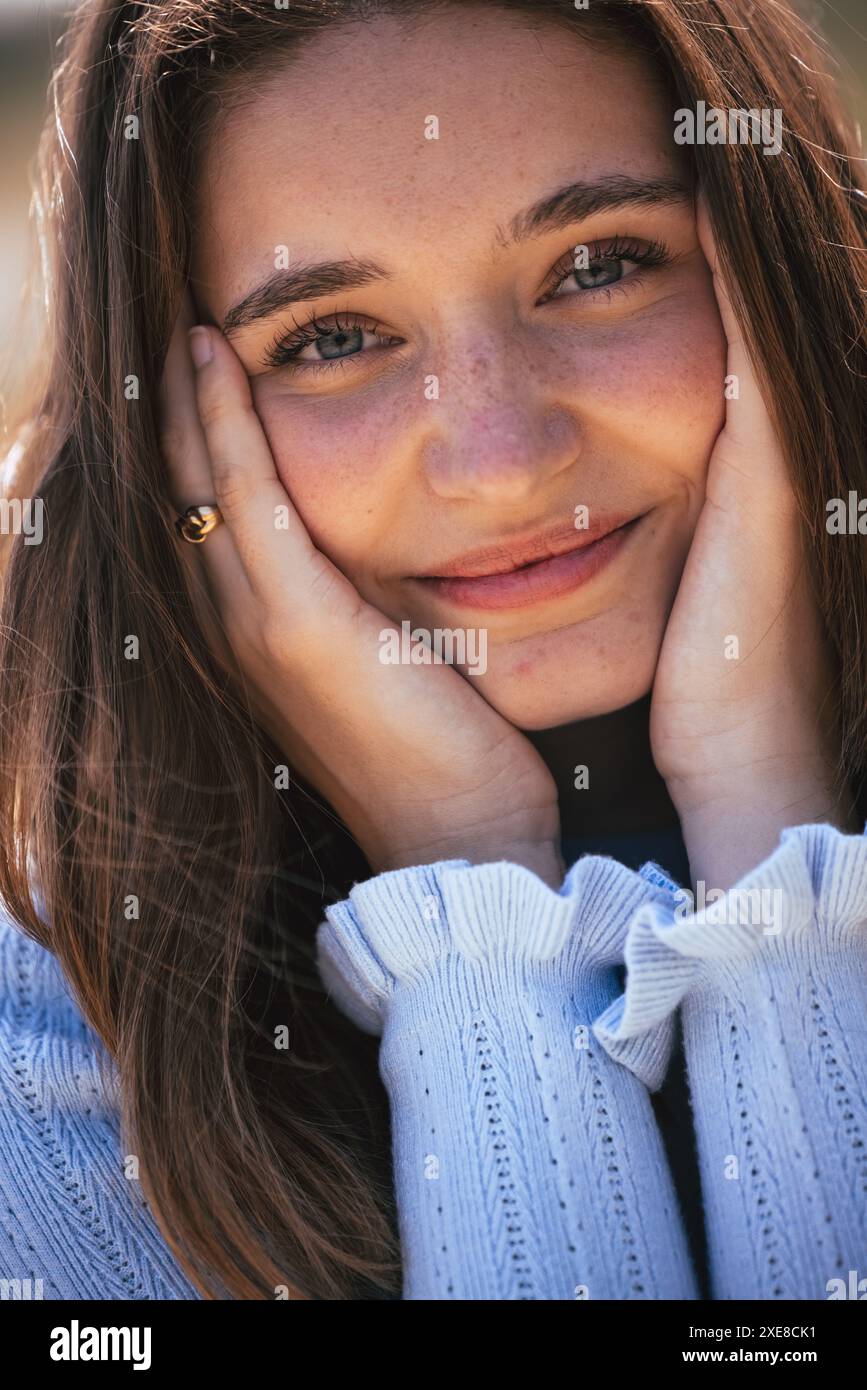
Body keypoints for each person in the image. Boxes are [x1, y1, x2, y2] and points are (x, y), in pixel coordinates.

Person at [0, 0, 865, 1301]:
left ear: (768, 251)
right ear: (175, 432)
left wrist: (768, 805)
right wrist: (470, 878)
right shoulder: (46, 1011)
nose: (502, 464)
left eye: (598, 264)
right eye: (332, 338)